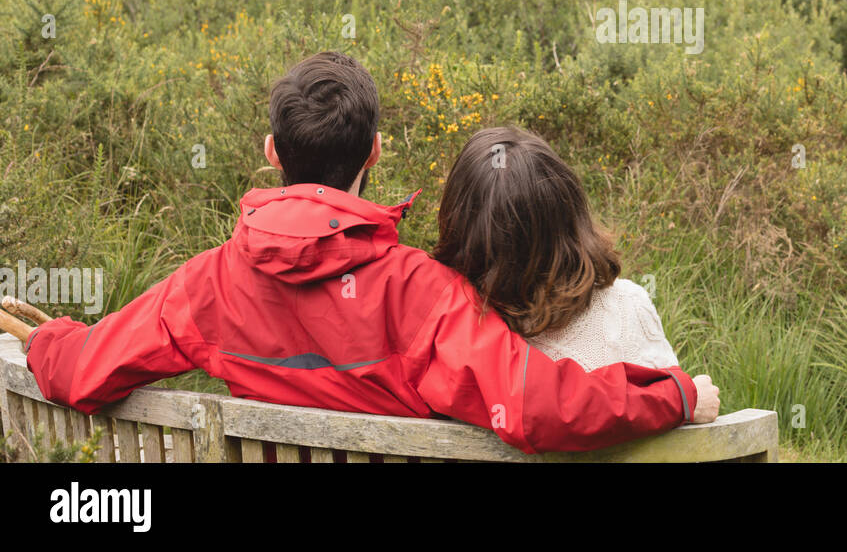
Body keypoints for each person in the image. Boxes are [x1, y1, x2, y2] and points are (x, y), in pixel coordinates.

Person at [0, 52, 719, 453]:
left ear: (271, 152)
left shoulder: (208, 286)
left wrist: (45, 338)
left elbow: (83, 371)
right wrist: (678, 394)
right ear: (375, 151)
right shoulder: (422, 293)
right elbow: (538, 408)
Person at [435, 126, 683, 374]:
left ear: (455, 220)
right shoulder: (626, 309)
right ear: (570, 214)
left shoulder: (440, 322)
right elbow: (673, 400)